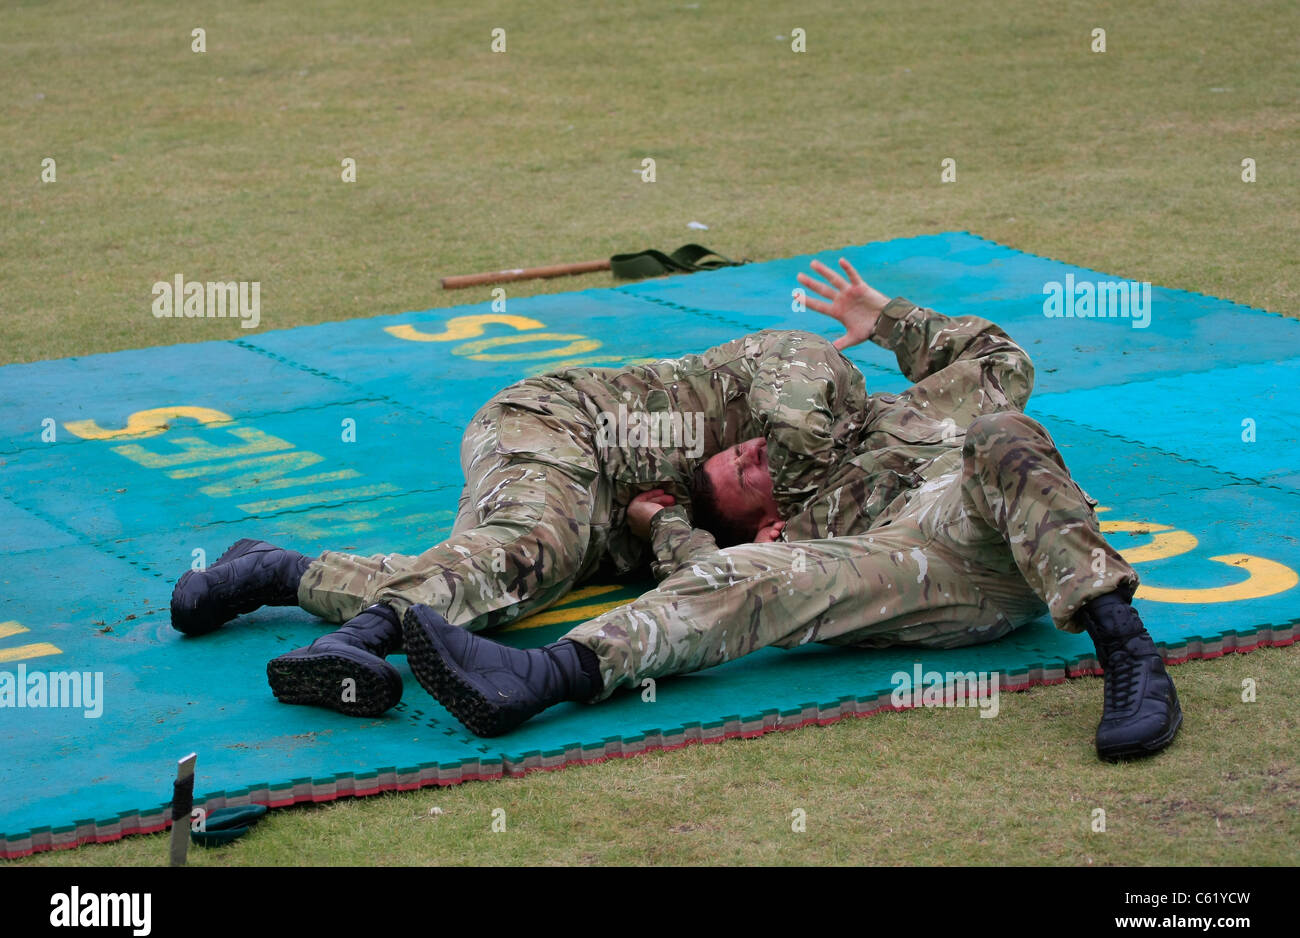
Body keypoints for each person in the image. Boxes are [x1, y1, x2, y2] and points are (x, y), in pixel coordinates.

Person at [395, 258, 1183, 762]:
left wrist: (887, 323)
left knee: (1003, 432)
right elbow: (716, 582)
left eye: (757, 448)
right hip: (910, 564)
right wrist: (666, 525)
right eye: (750, 457)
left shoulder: (917, 409)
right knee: (760, 577)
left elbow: (1002, 360)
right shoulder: (793, 519)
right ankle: (542, 676)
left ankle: (1129, 655)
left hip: (984, 520)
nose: (758, 452)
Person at [170, 325, 871, 715]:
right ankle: (357, 638)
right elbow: (805, 375)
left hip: (594, 493)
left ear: (769, 529)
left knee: (501, 584)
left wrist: (664, 529)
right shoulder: (814, 386)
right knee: (535, 549)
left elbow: (713, 588)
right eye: (760, 448)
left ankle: (277, 570)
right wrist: (802, 471)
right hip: (563, 424)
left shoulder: (766, 529)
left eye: (759, 474)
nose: (753, 451)